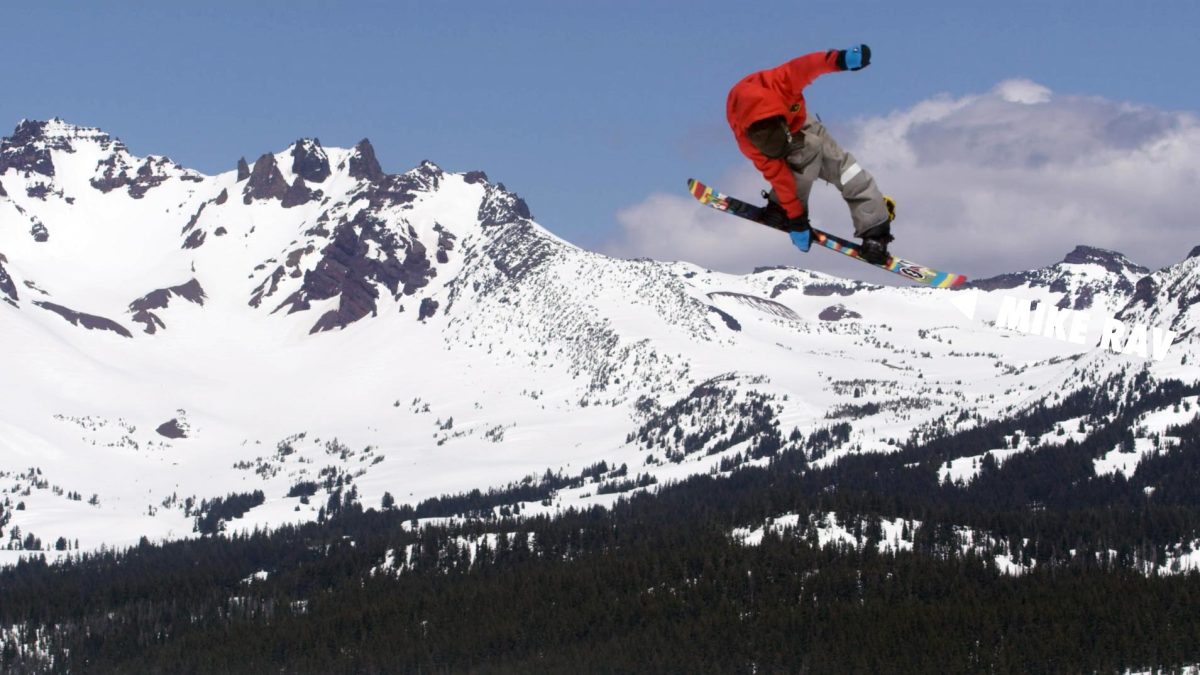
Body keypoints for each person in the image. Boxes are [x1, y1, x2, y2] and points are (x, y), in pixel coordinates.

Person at [726, 45, 894, 264]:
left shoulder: (781, 82)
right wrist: (796, 218)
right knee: (806, 152)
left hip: (796, 119)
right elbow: (780, 177)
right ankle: (782, 208)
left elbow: (810, 65)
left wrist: (841, 59)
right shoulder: (749, 143)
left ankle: (874, 233)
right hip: (774, 129)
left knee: (847, 170)